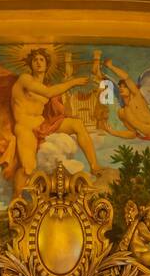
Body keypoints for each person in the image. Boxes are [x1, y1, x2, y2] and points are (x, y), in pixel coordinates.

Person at [10, 48, 98, 192]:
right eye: (35, 60)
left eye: (41, 60)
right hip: (26, 128)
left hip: (43, 124)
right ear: (30, 64)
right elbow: (49, 93)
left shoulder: (47, 85)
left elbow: (54, 106)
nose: (38, 63)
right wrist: (74, 82)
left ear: (46, 65)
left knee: (77, 124)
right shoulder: (25, 79)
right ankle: (16, 199)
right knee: (28, 168)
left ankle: (95, 167)